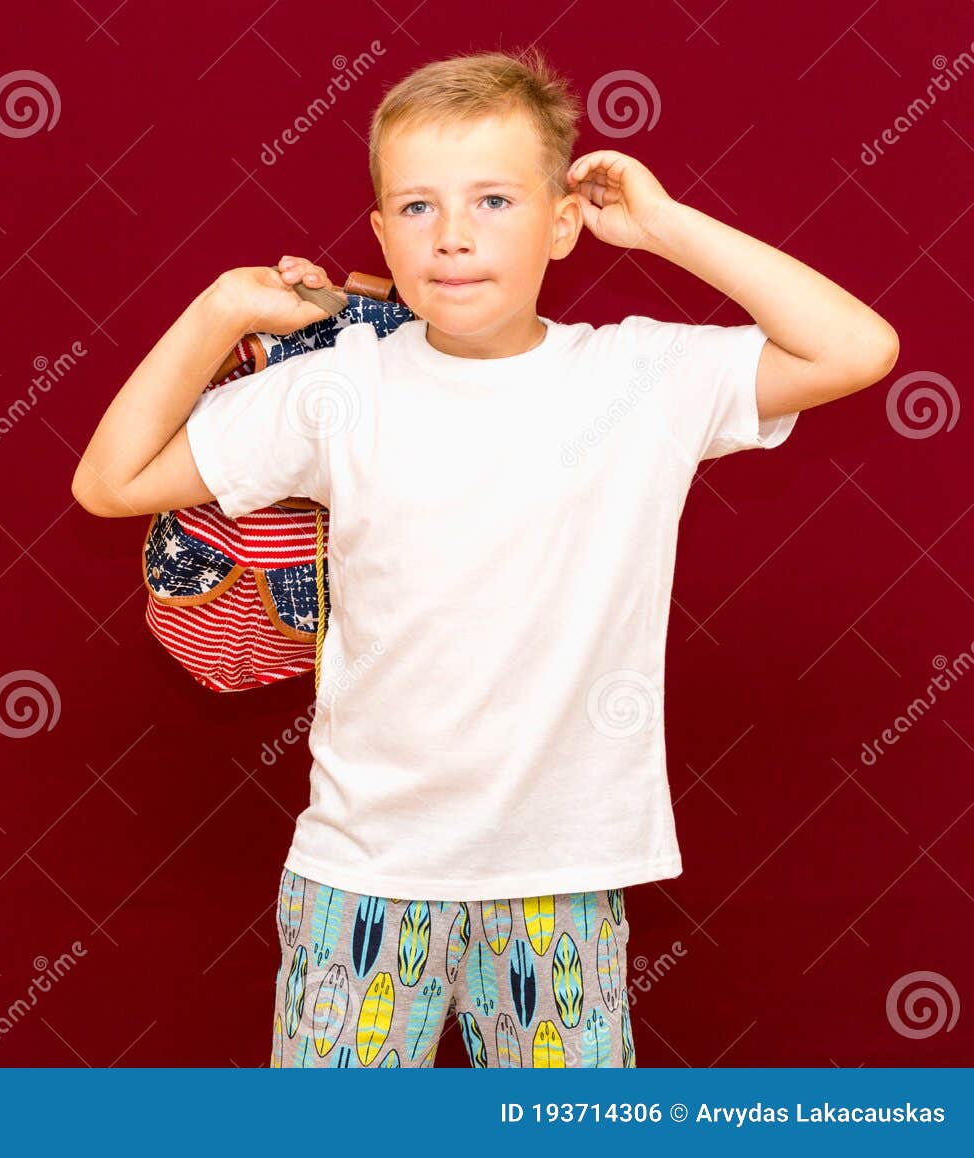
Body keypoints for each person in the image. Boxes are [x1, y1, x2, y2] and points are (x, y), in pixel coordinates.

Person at [69, 47, 898, 1067]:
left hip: (560, 875)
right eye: (417, 207)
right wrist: (221, 312)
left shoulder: (637, 376)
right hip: (363, 876)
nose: (452, 236)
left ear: (564, 221)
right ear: (381, 233)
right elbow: (110, 481)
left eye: (495, 201)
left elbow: (856, 350)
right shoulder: (341, 385)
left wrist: (664, 226)